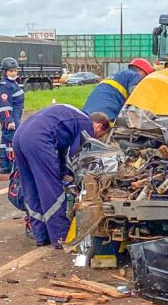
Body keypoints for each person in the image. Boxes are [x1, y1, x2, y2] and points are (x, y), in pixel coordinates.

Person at [13, 105, 110, 247]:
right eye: (99, 136)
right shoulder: (86, 124)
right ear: (98, 126)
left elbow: (61, 151)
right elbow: (77, 156)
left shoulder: (72, 117)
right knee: (51, 188)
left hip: (20, 135)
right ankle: (60, 237)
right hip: (39, 138)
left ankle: (41, 235)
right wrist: (83, 179)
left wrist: (64, 173)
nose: (95, 138)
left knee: (31, 188)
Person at [82, 58, 154, 121]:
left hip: (87, 115)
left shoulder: (116, 76)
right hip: (105, 116)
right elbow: (137, 96)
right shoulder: (134, 75)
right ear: (142, 72)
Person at [0, 57, 24, 174]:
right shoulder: (5, 86)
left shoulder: (12, 83)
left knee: (5, 140)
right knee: (12, 140)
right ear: (5, 72)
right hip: (10, 117)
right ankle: (13, 164)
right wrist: (9, 120)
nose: (13, 73)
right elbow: (4, 105)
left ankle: (5, 165)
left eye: (15, 70)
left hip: (15, 116)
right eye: (10, 71)